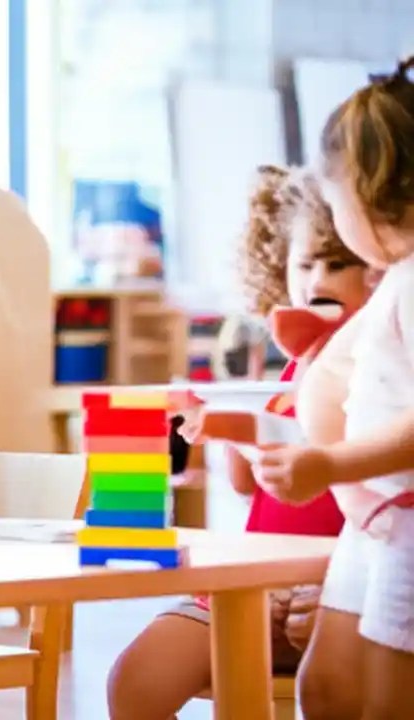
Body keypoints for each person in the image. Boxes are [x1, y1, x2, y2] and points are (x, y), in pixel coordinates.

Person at [106, 165, 373, 720]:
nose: (318, 278)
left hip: (343, 586)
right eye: (305, 264)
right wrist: (221, 425)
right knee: (136, 681)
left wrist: (331, 587)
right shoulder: (295, 367)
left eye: (339, 262)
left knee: (337, 692)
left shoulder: (385, 369)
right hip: (253, 584)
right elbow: (247, 483)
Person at [255, 56, 414, 720]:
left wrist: (326, 463)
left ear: (365, 192)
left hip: (403, 521)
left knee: (386, 699)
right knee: (325, 691)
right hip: (372, 521)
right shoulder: (397, 278)